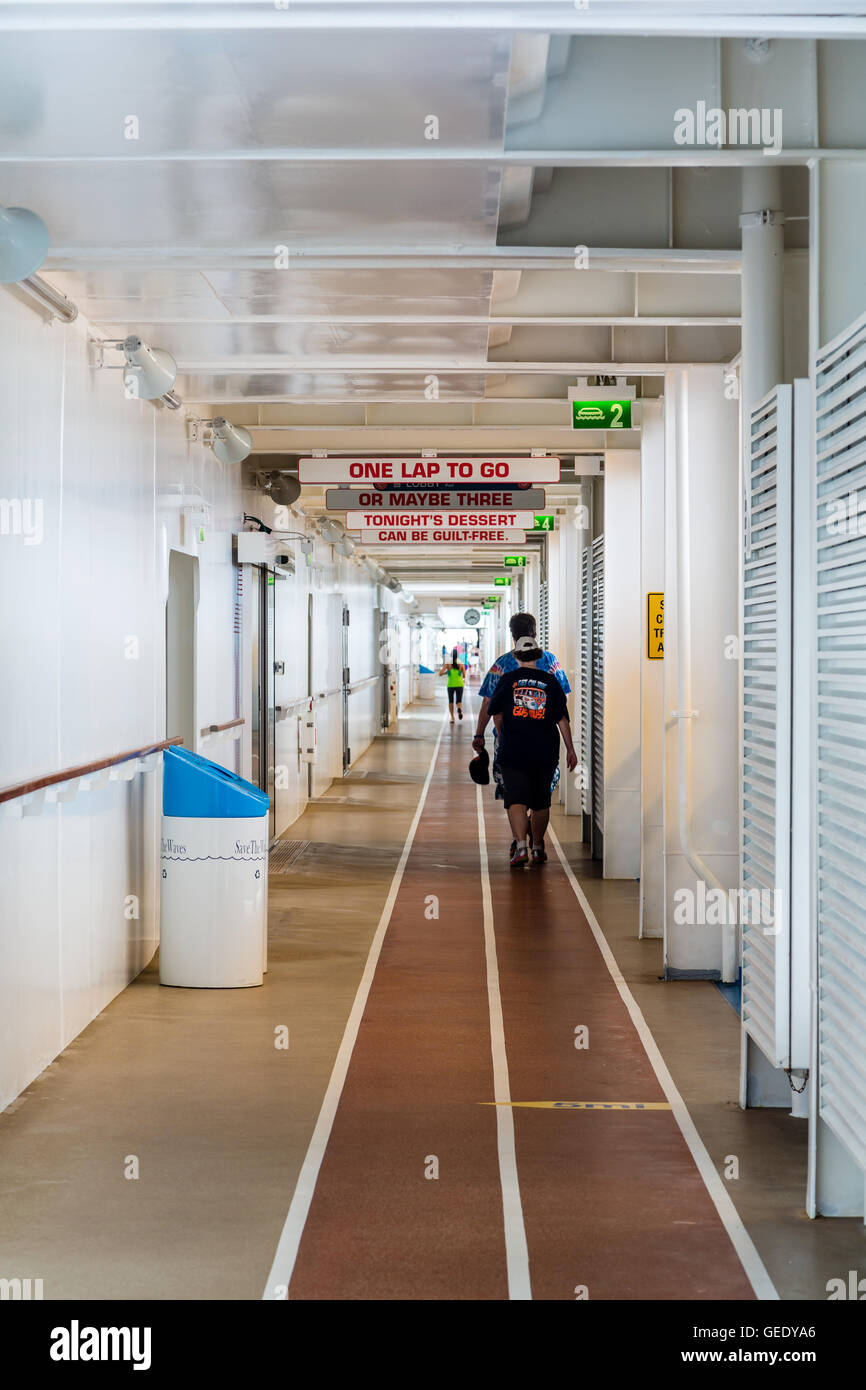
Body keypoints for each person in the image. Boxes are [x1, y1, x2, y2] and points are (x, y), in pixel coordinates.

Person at [472, 613, 571, 854]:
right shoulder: (551, 663)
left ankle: (520, 840)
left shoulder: (502, 664)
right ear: (535, 632)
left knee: (514, 791)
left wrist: (479, 734)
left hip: (509, 740)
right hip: (543, 741)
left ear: (512, 634)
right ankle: (536, 841)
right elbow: (562, 701)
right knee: (541, 793)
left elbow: (488, 703)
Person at [488, 634, 578, 867]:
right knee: (541, 801)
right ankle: (537, 847)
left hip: (513, 750)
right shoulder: (550, 682)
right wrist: (570, 749)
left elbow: (495, 712)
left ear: (516, 656)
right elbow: (562, 719)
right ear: (538, 656)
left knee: (515, 798)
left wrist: (502, 735)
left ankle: (520, 847)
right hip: (544, 751)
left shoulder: (507, 680)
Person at [438, 648, 466, 723]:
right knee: (459, 700)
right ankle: (459, 708)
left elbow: (440, 673)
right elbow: (464, 675)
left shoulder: (447, 663)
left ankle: (452, 718)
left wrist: (447, 672)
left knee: (451, 701)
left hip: (450, 685)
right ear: (458, 655)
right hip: (459, 684)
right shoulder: (461, 663)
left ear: (451, 655)